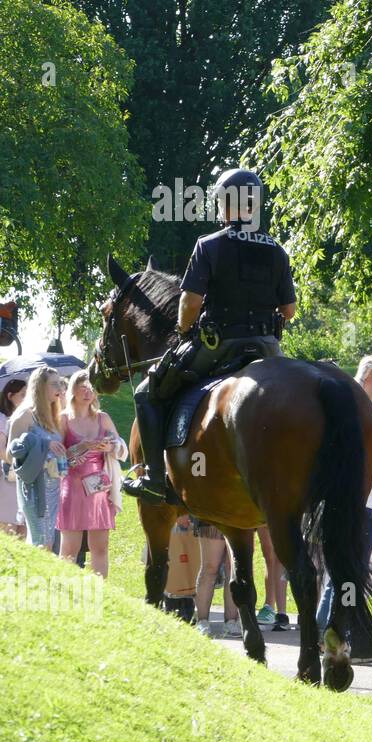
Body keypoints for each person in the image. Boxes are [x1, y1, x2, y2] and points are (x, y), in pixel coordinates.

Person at [124, 167, 295, 500]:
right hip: (267, 348)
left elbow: (190, 302)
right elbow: (289, 310)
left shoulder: (210, 245)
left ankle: (156, 481)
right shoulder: (277, 250)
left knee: (147, 393)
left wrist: (183, 329)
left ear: (228, 204)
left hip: (220, 345)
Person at [314, 354, 372, 663]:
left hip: (371, 508)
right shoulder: (345, 409)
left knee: (356, 573)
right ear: (360, 378)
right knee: (341, 574)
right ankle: (325, 635)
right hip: (342, 503)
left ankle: (337, 635)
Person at [56, 370, 124, 578]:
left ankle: (100, 593)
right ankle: (64, 593)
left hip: (99, 490)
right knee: (69, 549)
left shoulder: (103, 418)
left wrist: (110, 447)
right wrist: (78, 449)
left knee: (100, 548)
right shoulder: (64, 419)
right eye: (83, 387)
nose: (87, 392)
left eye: (91, 389)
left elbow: (120, 445)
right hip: (72, 488)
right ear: (73, 390)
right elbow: (55, 457)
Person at [6, 366, 67, 551]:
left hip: (53, 486)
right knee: (40, 542)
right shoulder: (25, 415)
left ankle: (41, 579)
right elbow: (10, 453)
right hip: (33, 489)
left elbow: (56, 452)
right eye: (54, 384)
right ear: (40, 387)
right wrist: (42, 443)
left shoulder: (53, 417)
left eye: (60, 383)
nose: (60, 388)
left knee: (47, 542)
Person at [0, 378, 28, 537]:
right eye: (22, 395)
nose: (26, 398)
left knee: (22, 530)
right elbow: (1, 450)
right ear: (10, 396)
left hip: (20, 478)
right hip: (6, 479)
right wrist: (22, 462)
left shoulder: (24, 419)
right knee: (8, 527)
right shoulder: (2, 419)